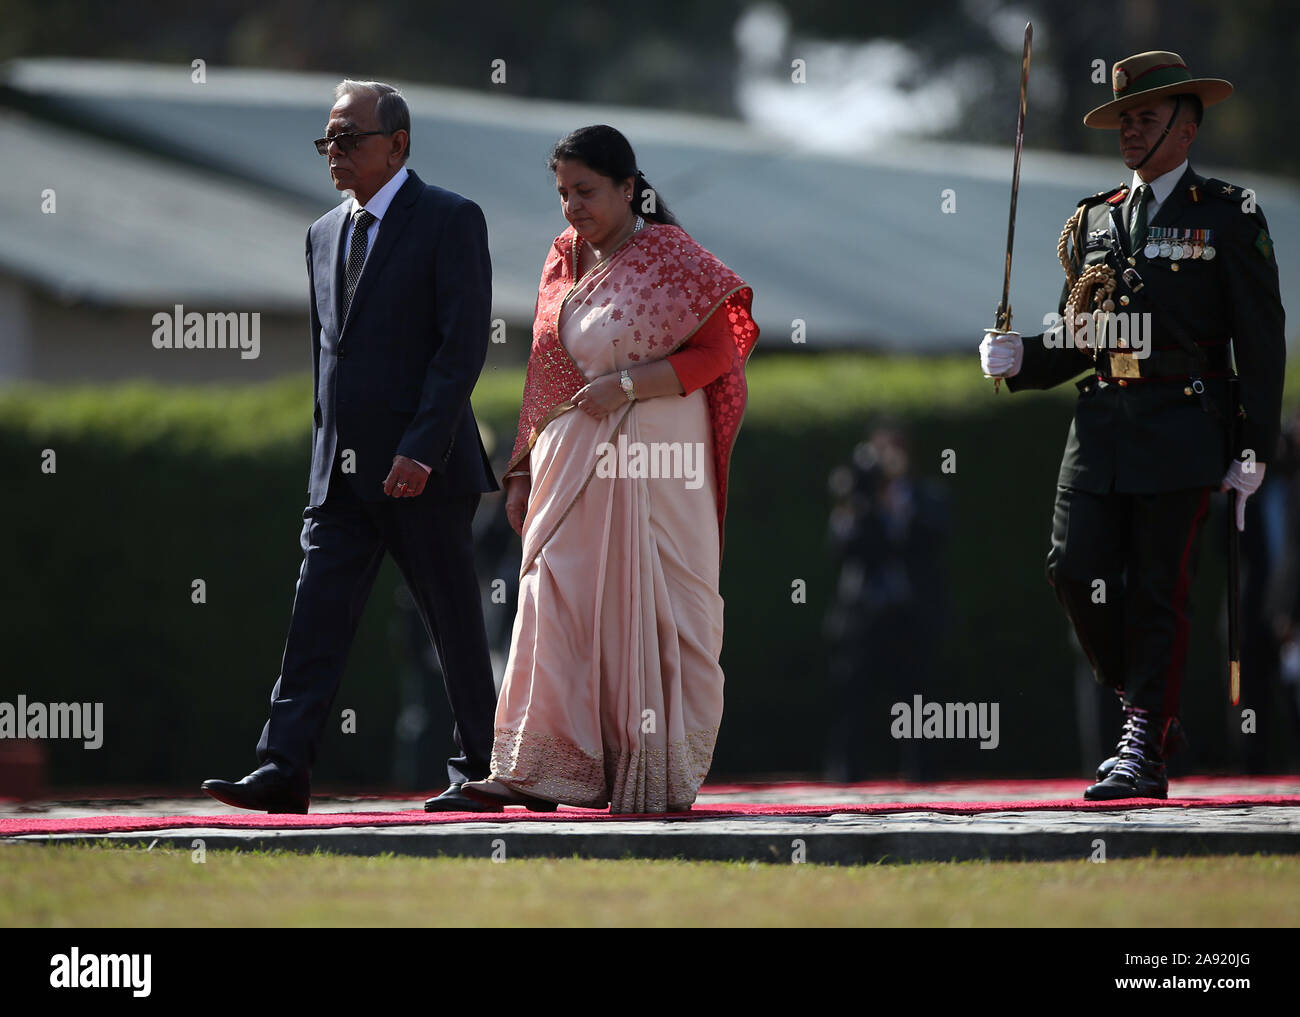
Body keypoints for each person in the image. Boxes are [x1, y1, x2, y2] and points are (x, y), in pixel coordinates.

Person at [979, 52, 1286, 800]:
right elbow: (1083, 332)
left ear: (1187, 126)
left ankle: (1144, 740)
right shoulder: (1095, 217)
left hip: (1184, 421)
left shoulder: (1229, 214)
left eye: (1145, 117)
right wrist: (1021, 359)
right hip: (1102, 423)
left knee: (1157, 589)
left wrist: (1253, 444)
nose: (1129, 131)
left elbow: (1263, 337)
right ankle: (1149, 707)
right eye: (1123, 119)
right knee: (1072, 569)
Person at [202, 80, 502, 814]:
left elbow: (459, 350)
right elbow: (326, 360)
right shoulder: (321, 232)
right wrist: (321, 457)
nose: (333, 153)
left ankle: (485, 769)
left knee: (455, 623)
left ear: (396, 144)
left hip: (422, 471)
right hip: (338, 476)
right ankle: (283, 769)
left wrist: (421, 448)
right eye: (327, 139)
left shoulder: (450, 219)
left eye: (348, 138)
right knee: (314, 620)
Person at [461, 125, 759, 814]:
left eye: (586, 191)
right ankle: (534, 766)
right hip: (570, 456)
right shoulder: (562, 258)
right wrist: (525, 465)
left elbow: (718, 354)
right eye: (563, 192)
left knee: (652, 610)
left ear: (629, 188)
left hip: (656, 454)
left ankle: (647, 772)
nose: (572, 206)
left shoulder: (672, 257)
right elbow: (547, 370)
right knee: (549, 590)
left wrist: (627, 387)